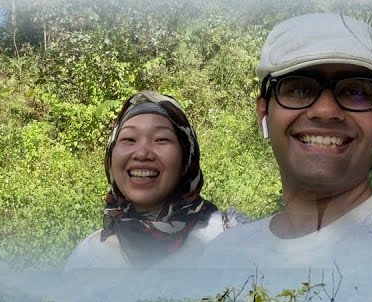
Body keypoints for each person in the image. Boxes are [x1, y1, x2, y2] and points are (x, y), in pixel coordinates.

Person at [201, 13, 372, 276]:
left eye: (356, 92)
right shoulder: (222, 258)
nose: (326, 110)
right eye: (299, 89)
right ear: (263, 112)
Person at [64, 90, 244, 269]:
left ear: (186, 158)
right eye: (129, 139)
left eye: (160, 140)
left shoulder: (233, 238)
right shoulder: (87, 259)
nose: (142, 154)